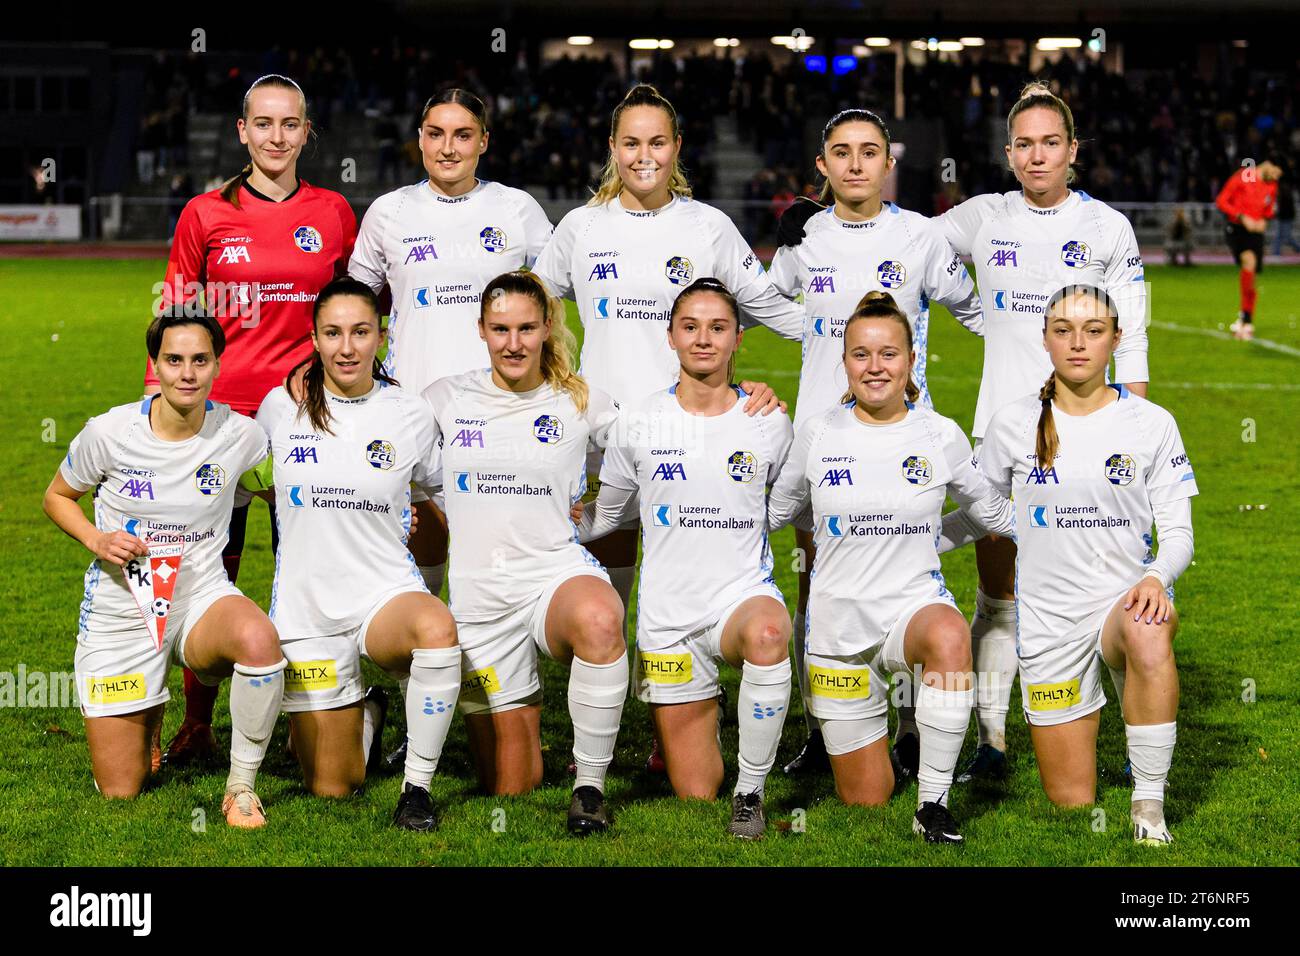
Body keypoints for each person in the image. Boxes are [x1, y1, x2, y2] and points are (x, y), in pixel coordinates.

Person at [531, 83, 799, 682]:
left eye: (657, 142)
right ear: (612, 147)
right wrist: (546, 388)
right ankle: (599, 708)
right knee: (603, 577)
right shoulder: (581, 227)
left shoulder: (707, 227)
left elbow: (768, 309)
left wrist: (851, 337)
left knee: (680, 576)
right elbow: (530, 310)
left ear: (677, 148)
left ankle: (672, 702)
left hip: (686, 431)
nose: (643, 155)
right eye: (631, 142)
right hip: (599, 430)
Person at [935, 81, 1150, 784]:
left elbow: (1136, 347)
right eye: (1024, 143)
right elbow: (900, 245)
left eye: (1050, 142)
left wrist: (1134, 447)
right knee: (999, 596)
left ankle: (1120, 741)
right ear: (1008, 152)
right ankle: (993, 743)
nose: (1036, 154)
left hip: (1089, 443)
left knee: (1106, 594)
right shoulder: (980, 218)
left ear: (1072, 151)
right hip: (1000, 443)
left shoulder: (1109, 229)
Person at [150, 73, 357, 768]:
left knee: (309, 565)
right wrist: (159, 417)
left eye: (289, 124)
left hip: (307, 421)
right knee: (209, 567)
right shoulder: (205, 215)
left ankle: (322, 707)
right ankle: (197, 724)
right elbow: (176, 317)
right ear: (242, 131)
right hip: (219, 422)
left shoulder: (333, 212)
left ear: (306, 133)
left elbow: (352, 316)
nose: (276, 136)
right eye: (262, 124)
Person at [768, 108, 983, 777]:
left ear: (889, 162)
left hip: (904, 447)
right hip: (821, 445)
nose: (856, 164)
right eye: (841, 151)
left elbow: (979, 312)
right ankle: (822, 725)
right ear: (822, 167)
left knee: (915, 583)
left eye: (870, 151)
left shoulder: (919, 237)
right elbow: (757, 310)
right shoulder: (801, 240)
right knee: (817, 588)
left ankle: (917, 729)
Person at [941, 284, 1196, 844]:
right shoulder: (1012, 423)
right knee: (1070, 800)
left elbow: (1178, 534)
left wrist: (1156, 577)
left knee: (1148, 630)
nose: (1077, 343)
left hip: (1121, 606)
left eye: (1094, 330)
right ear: (1046, 339)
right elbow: (982, 516)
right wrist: (907, 539)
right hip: (1049, 626)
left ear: (1116, 340)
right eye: (1063, 330)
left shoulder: (1152, 424)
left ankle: (1149, 806)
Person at [767, 292, 1014, 843]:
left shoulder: (939, 435)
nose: (875, 367)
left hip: (911, 611)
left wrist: (1067, 518)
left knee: (950, 634)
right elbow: (773, 513)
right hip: (836, 634)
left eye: (888, 354)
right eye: (860, 354)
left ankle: (933, 804)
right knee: (866, 797)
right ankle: (898, 746)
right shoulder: (818, 433)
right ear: (846, 362)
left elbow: (990, 515)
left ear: (910, 360)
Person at [43, 309, 285, 827]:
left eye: (200, 360)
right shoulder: (109, 432)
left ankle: (240, 788)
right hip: (124, 607)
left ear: (218, 366)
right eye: (174, 360)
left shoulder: (241, 435)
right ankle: (146, 711)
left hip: (200, 597)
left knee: (259, 640)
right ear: (155, 365)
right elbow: (57, 496)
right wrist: (96, 537)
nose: (188, 373)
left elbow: (285, 497)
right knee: (121, 790)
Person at [348, 89, 553, 691]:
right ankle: (417, 686)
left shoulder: (517, 210)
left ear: (483, 142)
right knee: (416, 549)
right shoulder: (389, 212)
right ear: (419, 138)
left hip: (502, 409)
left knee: (500, 549)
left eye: (463, 135)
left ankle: (507, 687)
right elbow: (356, 307)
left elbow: (554, 299)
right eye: (435, 133)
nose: (448, 147)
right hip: (413, 406)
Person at [580, 278, 794, 838]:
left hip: (740, 601)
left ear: (737, 340)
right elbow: (609, 515)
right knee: (695, 789)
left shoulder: (769, 421)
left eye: (717, 327)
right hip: (668, 621)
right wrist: (543, 527)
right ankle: (717, 712)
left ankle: (751, 794)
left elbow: (784, 505)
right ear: (670, 336)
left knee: (770, 633)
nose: (704, 339)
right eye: (691, 327)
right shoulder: (639, 423)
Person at [421, 271, 628, 835]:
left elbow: (655, 449)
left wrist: (597, 521)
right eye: (501, 329)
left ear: (546, 329)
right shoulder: (444, 398)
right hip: (478, 600)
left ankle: (589, 787)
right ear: (482, 331)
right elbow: (387, 453)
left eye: (527, 329)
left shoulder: (581, 400)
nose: (514, 343)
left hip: (552, 576)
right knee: (511, 783)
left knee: (601, 617)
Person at [253, 278, 461, 830]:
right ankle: (368, 711)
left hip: (382, 595)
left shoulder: (408, 413)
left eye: (361, 332)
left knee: (436, 628)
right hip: (307, 610)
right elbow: (238, 477)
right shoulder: (279, 408)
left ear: (381, 337)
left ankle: (417, 787)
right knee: (332, 785)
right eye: (333, 333)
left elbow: (449, 491)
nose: (347, 347)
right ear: (315, 340)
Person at [1215, 156, 1283, 340]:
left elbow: (1268, 210)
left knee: (1250, 272)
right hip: (1237, 228)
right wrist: (1241, 216)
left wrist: (1264, 221)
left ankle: (1245, 318)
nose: (1277, 177)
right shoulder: (1246, 176)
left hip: (1255, 233)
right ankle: (1246, 317)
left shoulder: (1272, 185)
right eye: (1276, 172)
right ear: (1268, 164)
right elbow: (1222, 200)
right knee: (1249, 262)